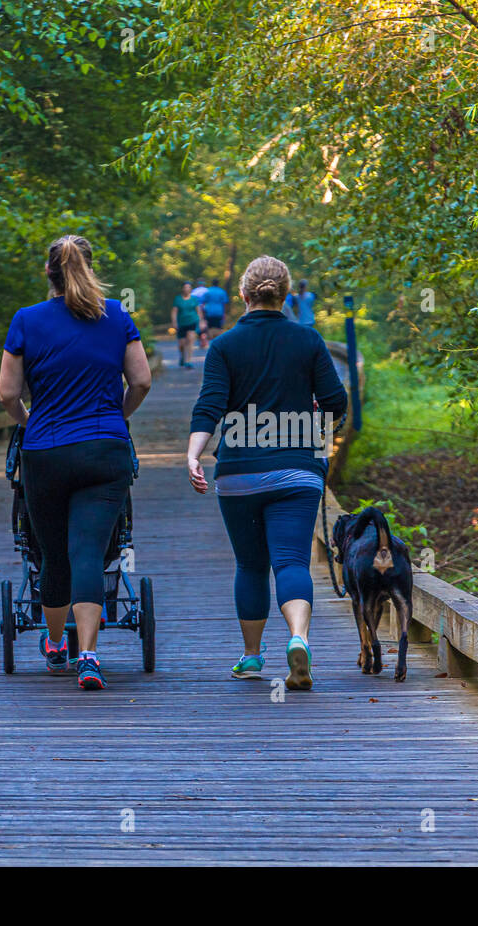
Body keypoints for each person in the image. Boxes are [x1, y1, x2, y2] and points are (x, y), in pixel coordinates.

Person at [0, 234, 152, 690]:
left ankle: (55, 645)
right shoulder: (117, 316)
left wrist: (29, 421)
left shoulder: (26, 320)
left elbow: (8, 393)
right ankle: (89, 656)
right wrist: (114, 418)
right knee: (88, 550)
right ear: (89, 268)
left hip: (45, 451)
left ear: (48, 273)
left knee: (51, 555)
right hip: (105, 450)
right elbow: (141, 381)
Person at [187, 256, 348, 690]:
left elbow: (210, 407)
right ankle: (299, 638)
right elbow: (336, 402)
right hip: (297, 471)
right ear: (286, 294)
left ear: (243, 295)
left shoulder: (223, 347)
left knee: (251, 564)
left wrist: (193, 455)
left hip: (239, 473)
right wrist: (313, 424)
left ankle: (252, 656)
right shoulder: (308, 340)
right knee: (292, 560)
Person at [172, 281, 202, 367]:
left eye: (188, 287)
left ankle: (188, 361)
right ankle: (182, 356)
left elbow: (198, 311)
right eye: (185, 287)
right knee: (181, 344)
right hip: (181, 323)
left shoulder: (194, 299)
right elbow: (174, 312)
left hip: (192, 322)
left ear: (191, 289)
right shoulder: (178, 299)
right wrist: (174, 322)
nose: (187, 289)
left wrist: (200, 321)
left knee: (190, 341)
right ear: (182, 288)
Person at [190, 276, 210, 348]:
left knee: (198, 325)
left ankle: (201, 342)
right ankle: (204, 341)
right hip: (205, 310)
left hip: (196, 311)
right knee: (205, 325)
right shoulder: (207, 290)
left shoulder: (194, 291)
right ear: (204, 283)